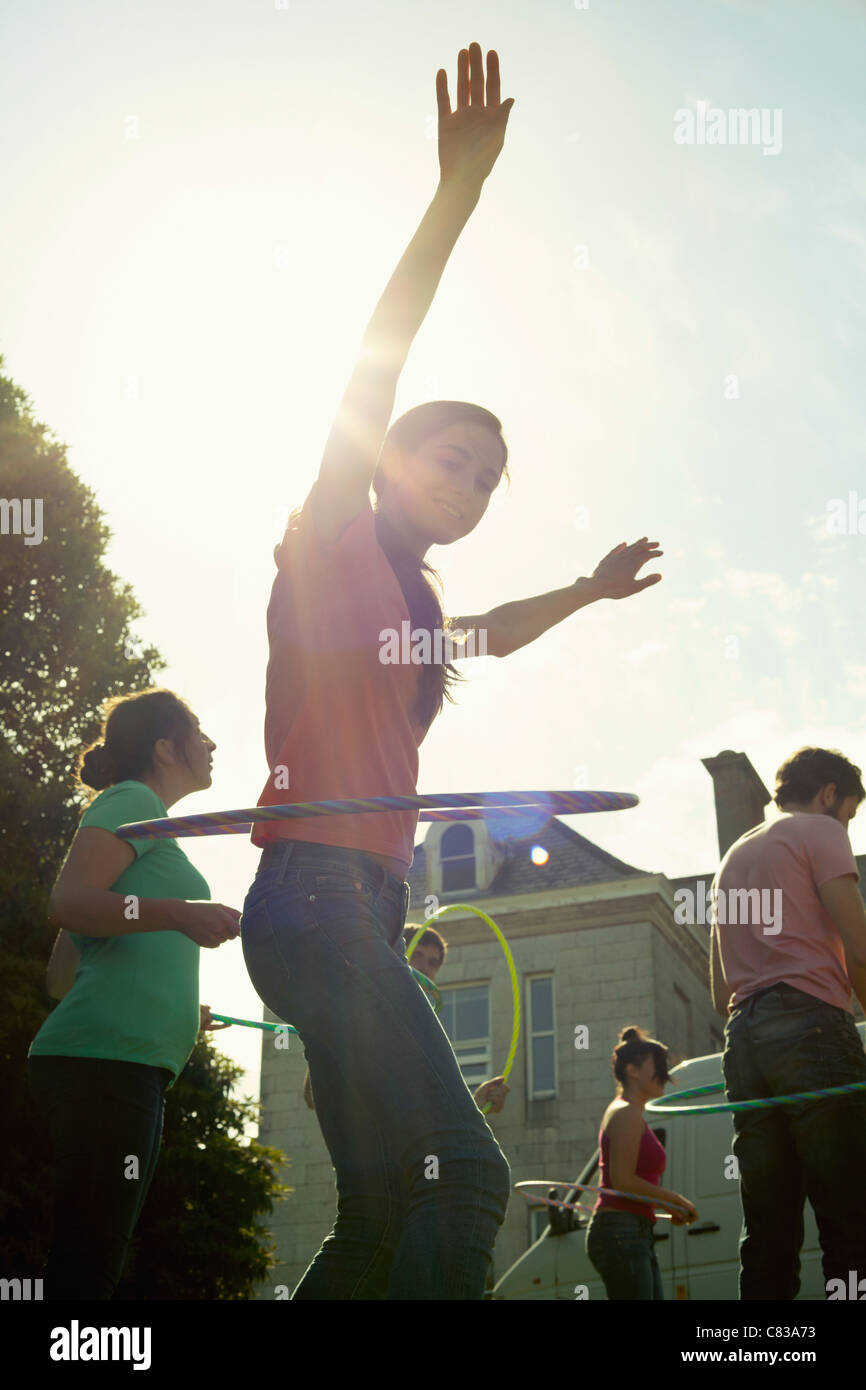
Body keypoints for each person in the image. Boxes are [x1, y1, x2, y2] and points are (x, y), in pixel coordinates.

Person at [240, 41, 662, 1301]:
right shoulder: (329, 543)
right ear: (382, 453)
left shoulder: (412, 607)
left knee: (377, 1208)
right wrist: (455, 198)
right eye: (449, 456)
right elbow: (375, 351)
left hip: (361, 906)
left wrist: (586, 591)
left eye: (488, 478)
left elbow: (487, 634)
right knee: (467, 1182)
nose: (468, 485)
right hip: (312, 894)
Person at [28, 688, 240, 1299]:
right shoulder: (133, 801)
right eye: (197, 730)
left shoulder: (147, 820)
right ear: (165, 748)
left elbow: (61, 976)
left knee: (90, 1259)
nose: (211, 743)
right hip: (107, 1066)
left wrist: (168, 1002)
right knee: (87, 1266)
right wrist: (179, 914)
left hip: (121, 1062)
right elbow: (67, 903)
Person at [709, 745, 866, 1300]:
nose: (845, 823)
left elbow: (718, 990)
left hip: (744, 1043)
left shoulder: (732, 859)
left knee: (769, 1229)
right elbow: (862, 947)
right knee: (850, 1215)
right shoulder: (820, 832)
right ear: (829, 795)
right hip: (811, 1029)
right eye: (848, 811)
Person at [301, 926, 510, 1114]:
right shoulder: (360, 1015)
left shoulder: (428, 1035)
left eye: (433, 962)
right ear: (395, 955)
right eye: (416, 954)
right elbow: (313, 1097)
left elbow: (438, 1111)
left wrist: (476, 1105)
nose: (424, 967)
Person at [585, 1026, 698, 1300]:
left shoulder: (632, 1113)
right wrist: (675, 1200)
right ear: (633, 1071)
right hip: (621, 1232)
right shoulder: (625, 1112)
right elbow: (622, 1181)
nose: (665, 1074)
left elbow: (630, 1183)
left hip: (633, 1231)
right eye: (656, 1067)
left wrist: (665, 1204)